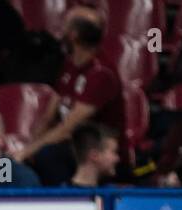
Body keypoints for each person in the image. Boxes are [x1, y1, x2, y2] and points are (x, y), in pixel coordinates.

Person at [15, 6, 125, 185]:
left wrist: (28, 152)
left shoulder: (101, 74)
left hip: (99, 147)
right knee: (31, 160)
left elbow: (68, 127)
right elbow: (49, 116)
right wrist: (28, 149)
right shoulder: (70, 64)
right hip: (73, 145)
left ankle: (67, 197)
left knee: (47, 156)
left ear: (73, 35)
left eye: (65, 25)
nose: (61, 30)